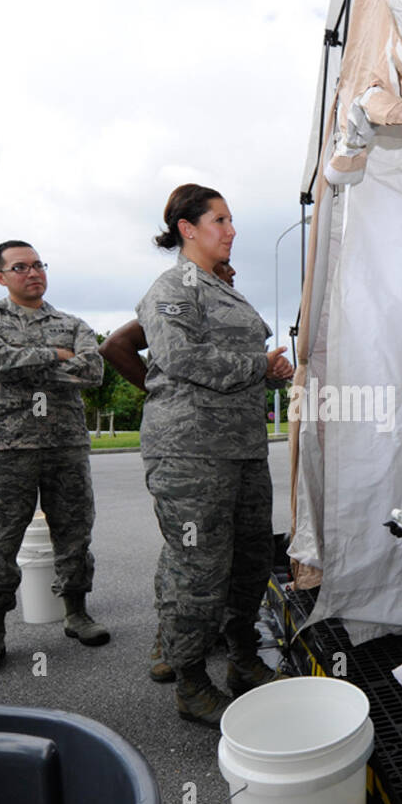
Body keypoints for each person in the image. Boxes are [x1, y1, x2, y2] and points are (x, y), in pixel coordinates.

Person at [136, 186, 291, 725]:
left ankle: (243, 659)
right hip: (190, 454)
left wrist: (269, 368)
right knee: (198, 572)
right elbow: (178, 355)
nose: (230, 229)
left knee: (249, 564)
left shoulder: (221, 289)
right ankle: (190, 679)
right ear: (188, 228)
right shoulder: (174, 287)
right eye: (220, 220)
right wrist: (258, 367)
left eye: (231, 220)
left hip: (242, 449)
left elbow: (239, 354)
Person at [0, 241, 108, 679]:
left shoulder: (72, 322)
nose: (33, 273)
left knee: (75, 533)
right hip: (5, 449)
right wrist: (56, 356)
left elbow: (93, 372)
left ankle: (76, 613)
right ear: (0, 277)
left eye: (38, 264)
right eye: (20, 267)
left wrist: (26, 364)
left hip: (64, 446)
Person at [100, 259, 234, 684]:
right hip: (186, 444)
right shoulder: (178, 300)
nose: (228, 275)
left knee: (220, 546)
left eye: (231, 272)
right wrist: (157, 390)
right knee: (185, 548)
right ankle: (168, 637)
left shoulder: (227, 308)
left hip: (225, 443)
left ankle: (207, 632)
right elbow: (115, 346)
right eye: (221, 269)